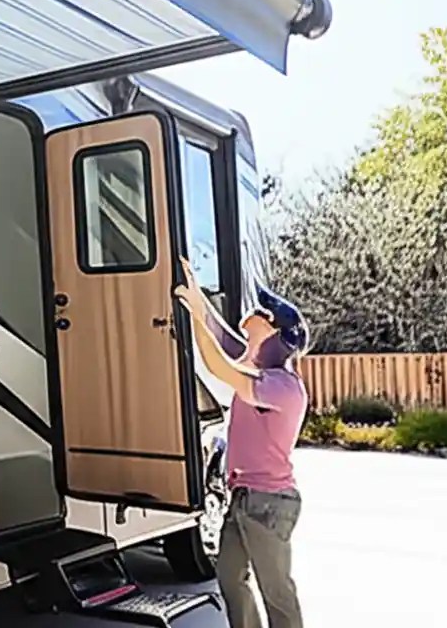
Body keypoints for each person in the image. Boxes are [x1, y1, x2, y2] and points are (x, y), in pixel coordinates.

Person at [172, 257, 309, 628]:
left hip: (270, 502)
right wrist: (197, 297)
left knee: (276, 591)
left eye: (262, 316)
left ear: (279, 338)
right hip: (244, 495)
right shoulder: (259, 364)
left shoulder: (282, 386)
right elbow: (220, 339)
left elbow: (218, 365)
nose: (252, 315)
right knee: (230, 578)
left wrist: (196, 320)